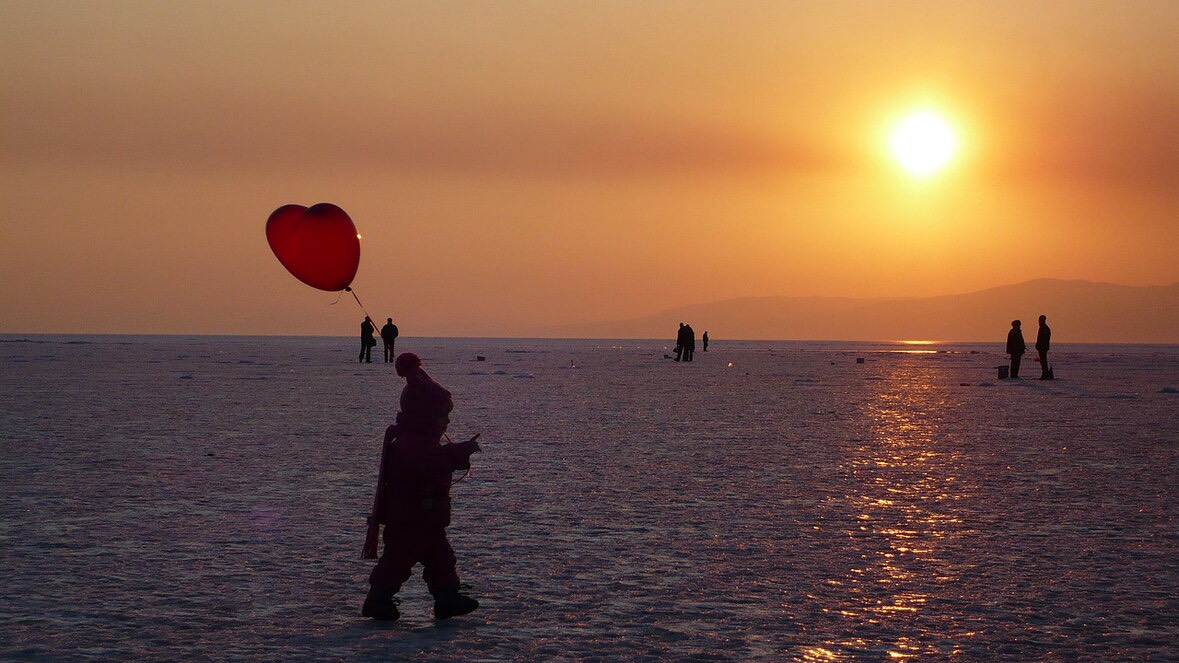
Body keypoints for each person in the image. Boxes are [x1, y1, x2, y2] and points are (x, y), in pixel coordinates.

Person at [363, 352, 481, 622]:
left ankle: (446, 598)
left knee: (440, 559)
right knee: (397, 561)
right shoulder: (412, 443)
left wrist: (456, 453)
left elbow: (435, 460)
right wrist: (459, 452)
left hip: (424, 518)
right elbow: (431, 463)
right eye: (442, 416)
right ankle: (378, 600)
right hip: (410, 519)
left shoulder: (417, 440)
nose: (446, 422)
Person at [1036, 314, 1053, 379]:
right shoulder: (1044, 327)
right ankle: (1045, 373)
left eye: (1040, 320)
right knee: (1043, 361)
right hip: (1043, 347)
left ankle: (1045, 374)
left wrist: (1039, 345)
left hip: (1043, 347)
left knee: (1043, 361)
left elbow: (1043, 339)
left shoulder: (1044, 328)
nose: (1039, 321)